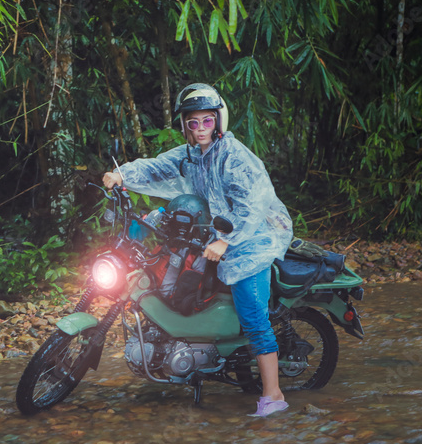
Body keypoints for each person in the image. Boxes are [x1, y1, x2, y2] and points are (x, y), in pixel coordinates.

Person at [102, 83, 293, 417]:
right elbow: (157, 166)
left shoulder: (235, 156)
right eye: (193, 122)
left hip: (251, 243)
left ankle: (274, 395)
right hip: (213, 239)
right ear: (185, 126)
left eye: (207, 121)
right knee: (177, 286)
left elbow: (252, 204)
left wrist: (226, 241)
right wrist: (121, 175)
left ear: (218, 121)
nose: (201, 128)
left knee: (253, 316)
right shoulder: (192, 155)